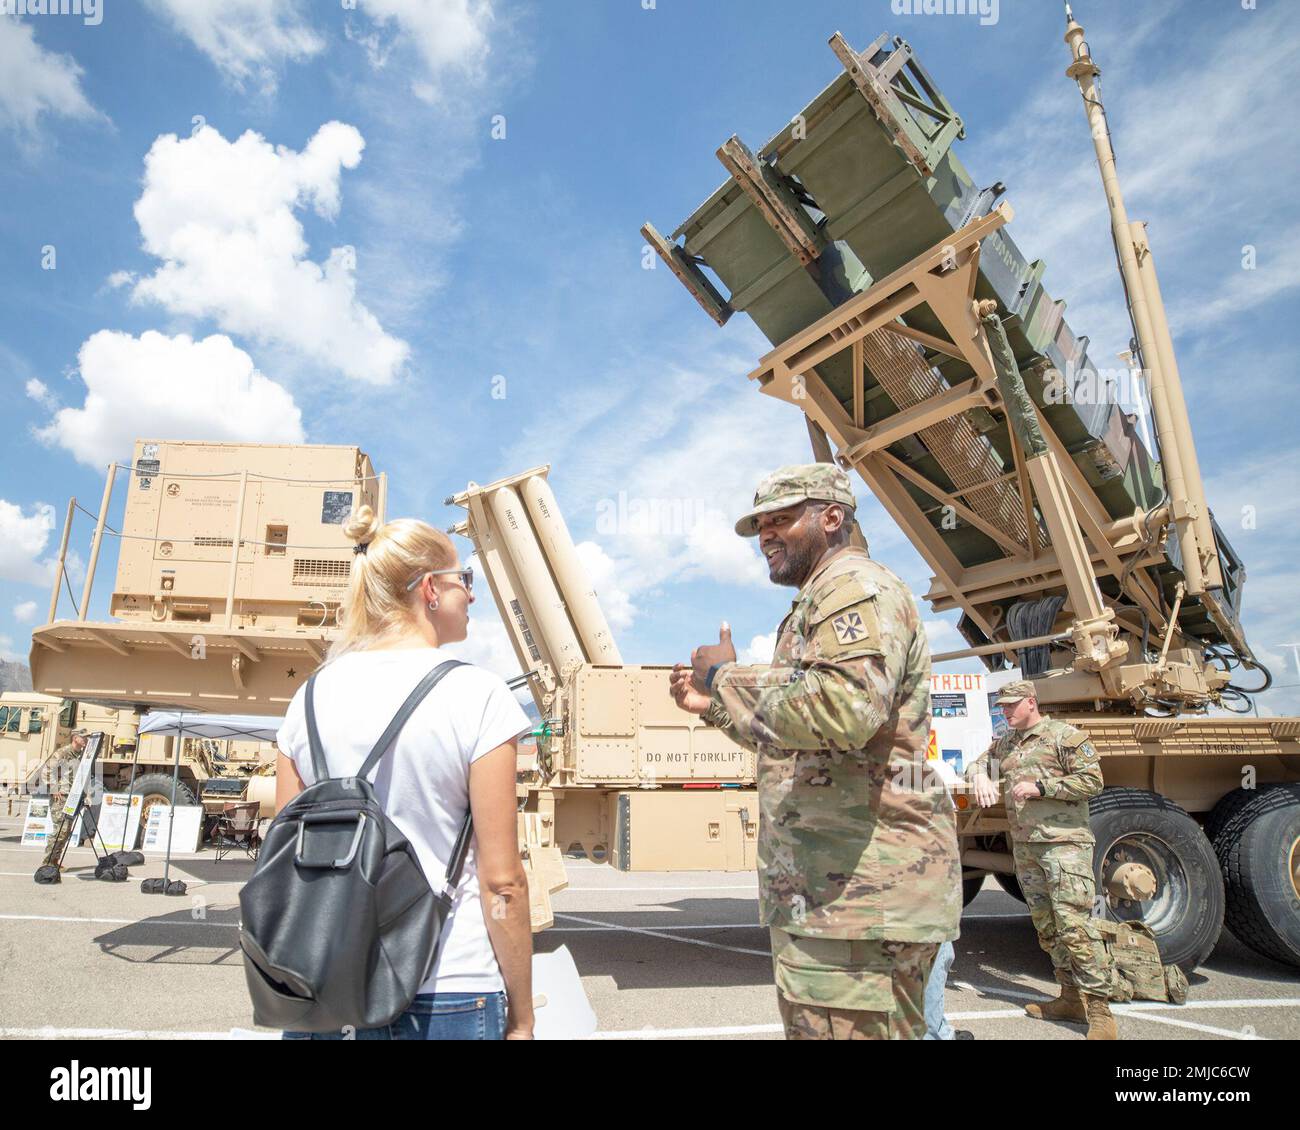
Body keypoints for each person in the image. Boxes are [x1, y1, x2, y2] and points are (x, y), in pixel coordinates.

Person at [670, 464, 961, 1040]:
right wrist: (714, 705)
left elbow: (845, 710)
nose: (766, 535)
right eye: (761, 525)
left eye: (781, 519)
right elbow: (805, 738)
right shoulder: (822, 597)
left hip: (857, 898)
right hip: (838, 899)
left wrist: (726, 675)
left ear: (831, 518)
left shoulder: (853, 589)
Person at [275, 505, 535, 1041]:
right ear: (430, 590)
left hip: (326, 985)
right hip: (448, 985)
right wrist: (524, 1016)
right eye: (465, 579)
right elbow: (502, 881)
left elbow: (285, 858)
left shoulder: (310, 697)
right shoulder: (477, 693)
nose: (473, 594)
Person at [965, 680, 1120, 1040]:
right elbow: (978, 763)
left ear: (1031, 703)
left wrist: (1043, 788)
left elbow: (1092, 781)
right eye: (1002, 706)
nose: (1004, 711)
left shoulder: (1063, 737)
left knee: (1076, 927)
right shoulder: (1008, 742)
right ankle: (1069, 998)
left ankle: (1100, 1011)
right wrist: (979, 778)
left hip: (1063, 845)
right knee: (1048, 927)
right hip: (1027, 846)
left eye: (1010, 705)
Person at [38, 729, 90, 872]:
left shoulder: (81, 755)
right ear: (75, 738)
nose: (86, 740)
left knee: (66, 831)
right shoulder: (63, 752)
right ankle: (47, 863)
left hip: (73, 797)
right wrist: (54, 788)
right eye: (83, 737)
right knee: (60, 831)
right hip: (61, 797)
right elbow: (47, 770)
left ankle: (54, 861)